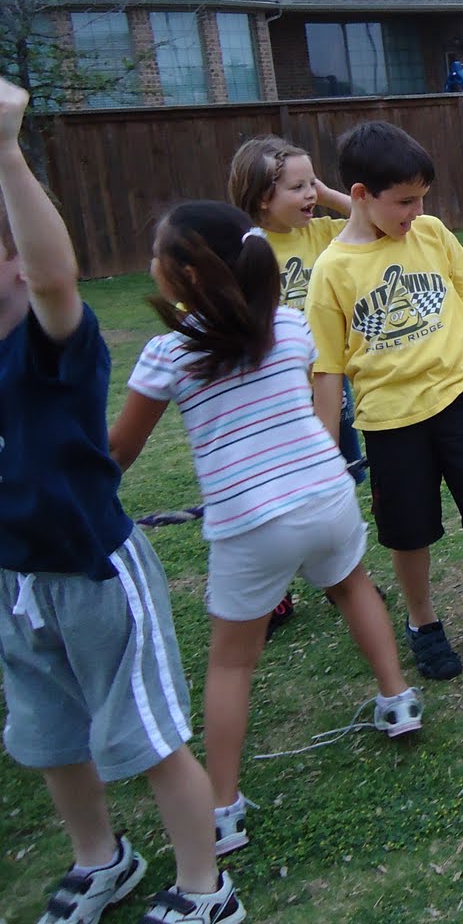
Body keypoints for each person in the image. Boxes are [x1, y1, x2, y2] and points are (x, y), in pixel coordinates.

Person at [0, 76, 246, 924]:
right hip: (15, 578)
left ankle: (205, 887)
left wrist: (5, 151)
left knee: (145, 735)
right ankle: (98, 858)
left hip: (96, 570)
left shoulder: (54, 340)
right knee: (46, 735)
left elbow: (55, 274)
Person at [108, 201, 421, 860]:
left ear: (186, 275)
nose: (150, 267)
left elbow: (120, 451)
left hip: (251, 521)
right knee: (352, 588)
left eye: (156, 256)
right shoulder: (288, 324)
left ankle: (222, 807)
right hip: (327, 493)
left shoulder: (168, 352)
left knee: (231, 659)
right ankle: (399, 700)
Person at [303, 120, 463, 690]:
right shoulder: (331, 272)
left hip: (460, 403)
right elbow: (329, 371)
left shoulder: (433, 234)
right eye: (404, 201)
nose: (415, 211)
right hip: (388, 423)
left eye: (421, 199)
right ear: (361, 196)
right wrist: (323, 450)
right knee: (407, 533)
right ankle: (423, 623)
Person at [228, 133, 362, 635]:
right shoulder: (244, 249)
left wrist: (327, 194)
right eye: (297, 187)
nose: (309, 194)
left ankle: (341, 579)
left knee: (335, 481)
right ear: (263, 196)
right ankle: (274, 591)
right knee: (276, 491)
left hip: (329, 385)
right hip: (274, 397)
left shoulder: (321, 233)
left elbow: (371, 215)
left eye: (312, 183)